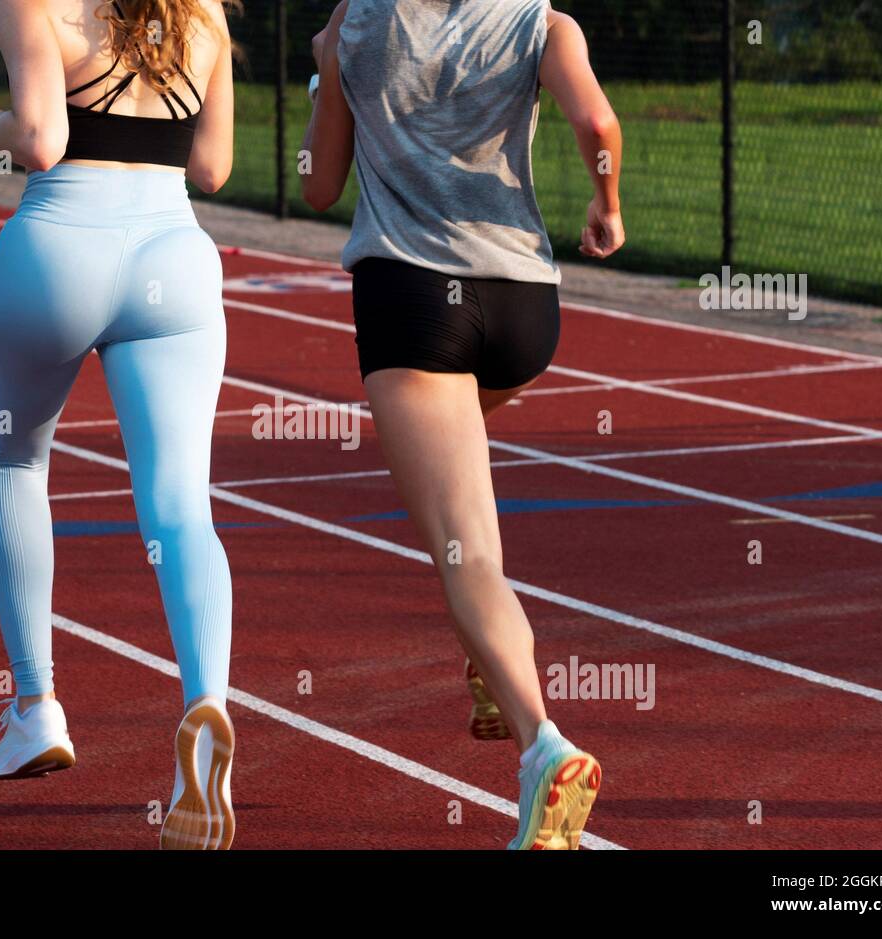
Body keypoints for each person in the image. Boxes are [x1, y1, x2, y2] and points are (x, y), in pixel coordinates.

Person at [301, 0, 625, 849]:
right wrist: (607, 204)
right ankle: (488, 664)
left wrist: (324, 72)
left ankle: (541, 744)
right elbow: (595, 119)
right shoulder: (542, 22)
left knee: (465, 549)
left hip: (414, 302)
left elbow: (317, 182)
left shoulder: (357, 24)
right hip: (523, 308)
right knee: (461, 489)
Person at [0, 0, 239, 850]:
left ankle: (36, 707)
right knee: (182, 507)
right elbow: (213, 165)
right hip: (174, 257)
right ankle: (206, 698)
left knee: (15, 464)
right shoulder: (203, 10)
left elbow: (39, 140)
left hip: (57, 252)